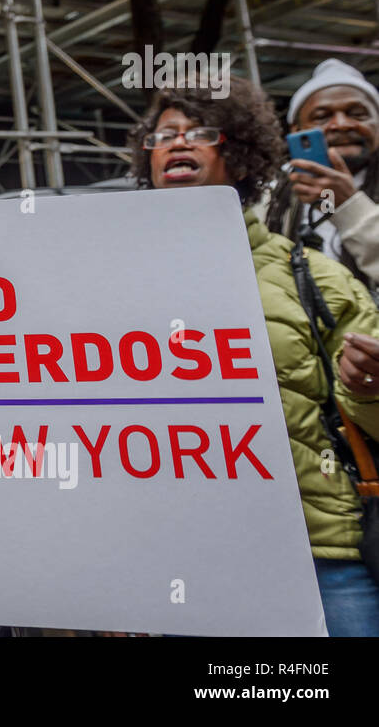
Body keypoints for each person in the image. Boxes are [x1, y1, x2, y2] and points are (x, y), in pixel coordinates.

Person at [131, 76, 379, 636]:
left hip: (322, 556)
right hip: (186, 560)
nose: (178, 142)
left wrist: (366, 390)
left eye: (200, 132)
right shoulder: (108, 283)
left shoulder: (317, 277)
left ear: (240, 156)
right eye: (164, 134)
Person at [266, 59, 379, 292]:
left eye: (357, 114)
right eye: (322, 116)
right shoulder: (272, 196)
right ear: (297, 130)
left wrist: (349, 205)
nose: (341, 124)